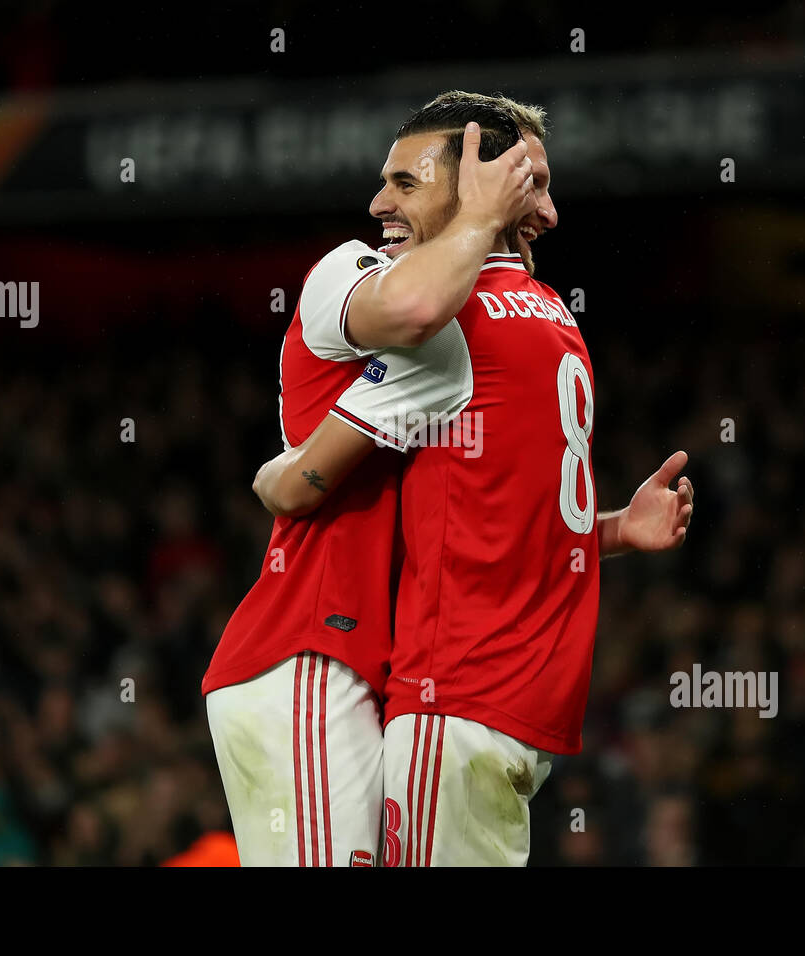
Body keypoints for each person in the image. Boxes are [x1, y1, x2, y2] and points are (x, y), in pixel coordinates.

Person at [202, 100, 536, 866]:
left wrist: (611, 531)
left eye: (403, 184)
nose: (378, 203)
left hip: (358, 669)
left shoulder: (470, 333)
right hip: (309, 657)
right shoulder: (349, 273)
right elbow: (416, 307)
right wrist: (479, 222)